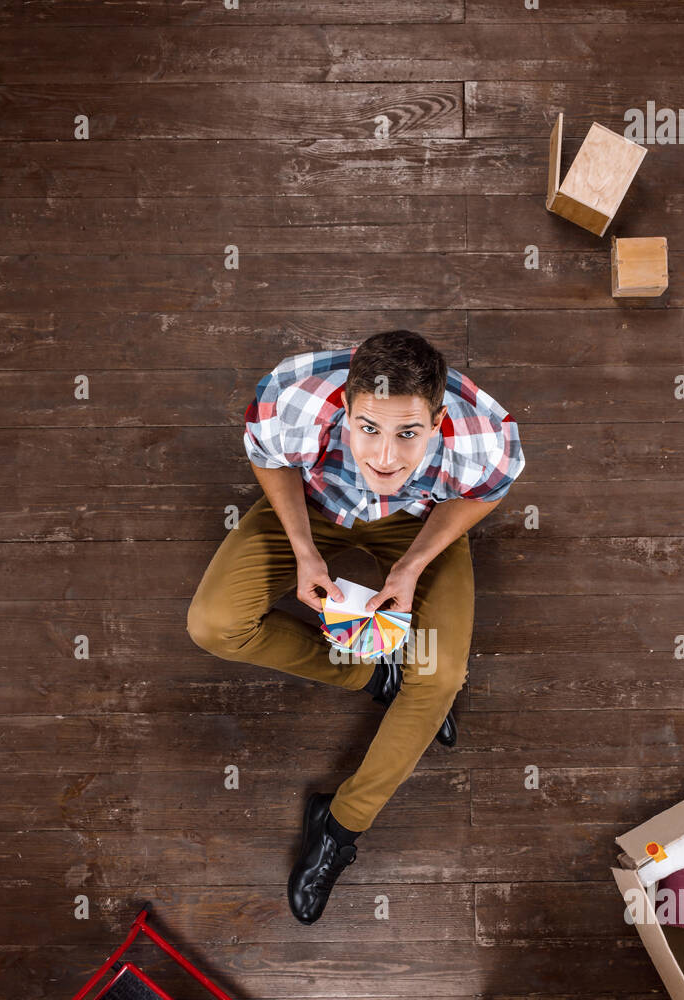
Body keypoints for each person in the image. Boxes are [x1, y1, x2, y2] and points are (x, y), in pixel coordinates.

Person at [187, 330, 524, 923]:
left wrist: (413, 565)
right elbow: (268, 458)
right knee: (213, 625)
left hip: (416, 528)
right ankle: (375, 676)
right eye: (368, 428)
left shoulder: (485, 438)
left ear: (439, 419)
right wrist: (302, 549)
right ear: (345, 406)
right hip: (317, 509)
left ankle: (339, 824)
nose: (386, 458)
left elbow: (487, 493)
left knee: (440, 676)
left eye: (408, 434)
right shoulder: (290, 395)